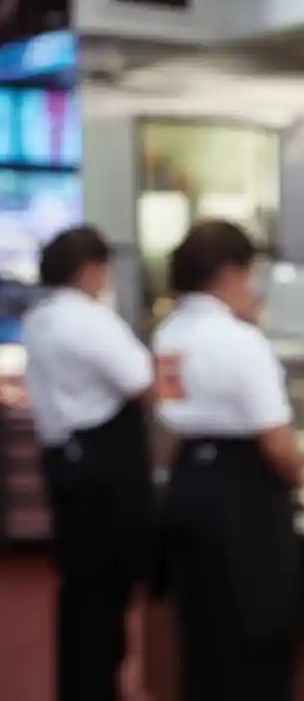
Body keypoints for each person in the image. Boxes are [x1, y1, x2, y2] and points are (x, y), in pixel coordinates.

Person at [152, 220, 304, 701]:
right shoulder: (242, 341)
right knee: (255, 637)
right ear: (231, 272)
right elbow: (277, 442)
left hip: (188, 481)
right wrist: (303, 479)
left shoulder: (169, 334)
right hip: (240, 495)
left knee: (203, 635)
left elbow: (168, 415)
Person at [24, 227, 154, 701]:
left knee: (79, 589)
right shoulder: (90, 319)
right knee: (107, 591)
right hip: (104, 470)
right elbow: (143, 381)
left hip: (64, 461)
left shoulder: (40, 318)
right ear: (90, 269)